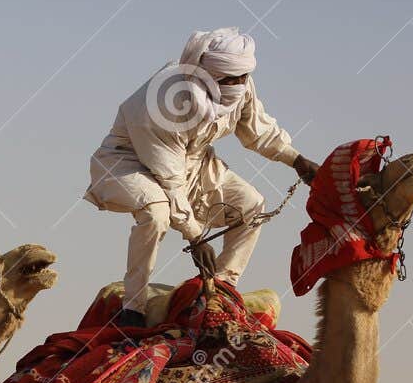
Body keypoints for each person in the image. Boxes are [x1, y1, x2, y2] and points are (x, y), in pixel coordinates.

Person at [84, 27, 320, 327]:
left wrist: (297, 161)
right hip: (129, 162)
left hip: (193, 163)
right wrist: (196, 237)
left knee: (252, 206)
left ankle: (220, 290)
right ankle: (133, 307)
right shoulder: (162, 101)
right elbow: (169, 180)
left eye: (243, 78)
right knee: (156, 213)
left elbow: (257, 131)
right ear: (207, 76)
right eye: (230, 80)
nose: (238, 85)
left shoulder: (240, 85)